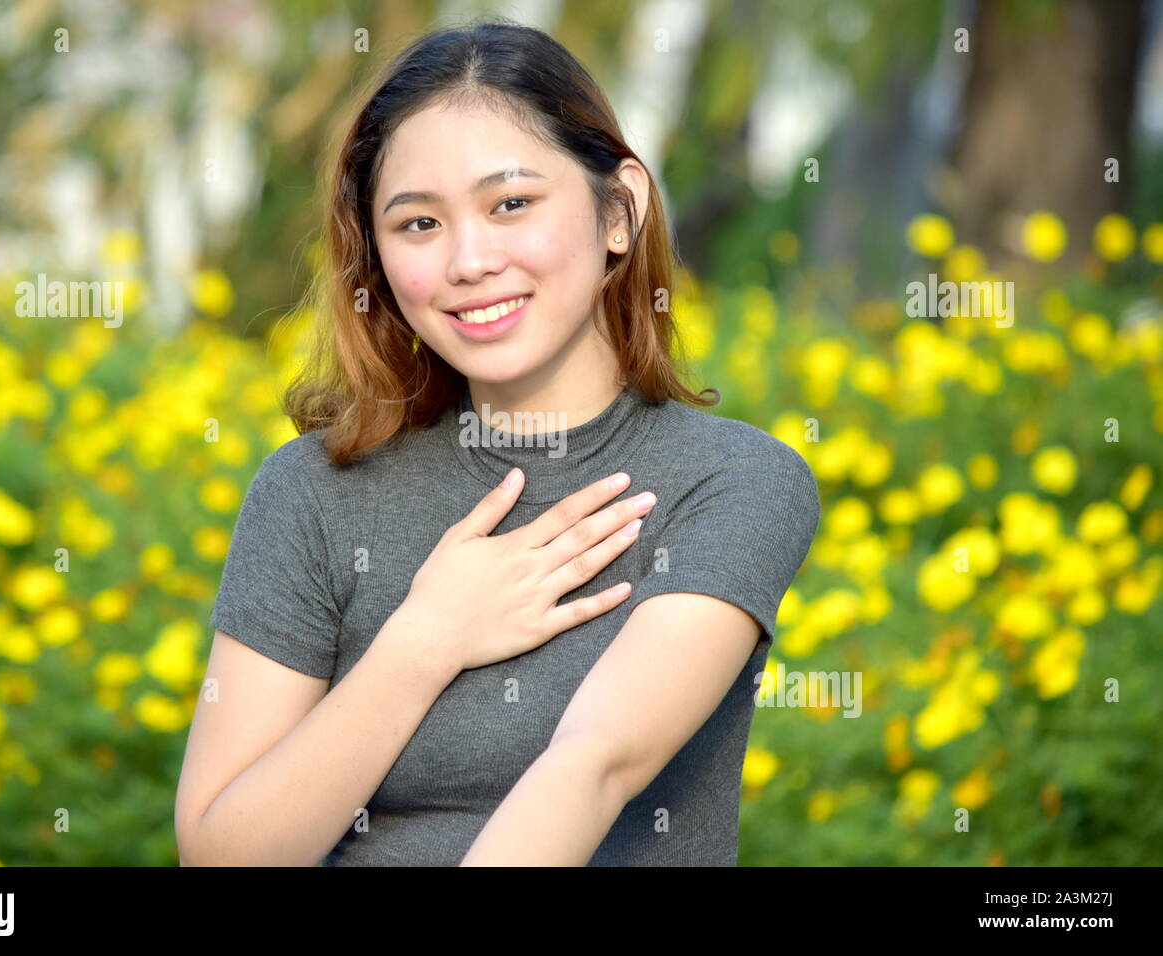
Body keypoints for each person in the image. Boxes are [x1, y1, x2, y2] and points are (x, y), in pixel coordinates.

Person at [174, 17, 819, 867]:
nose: (469, 260)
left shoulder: (730, 481)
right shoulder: (311, 493)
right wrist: (424, 640)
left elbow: (591, 768)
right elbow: (224, 856)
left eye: (511, 203)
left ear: (618, 209)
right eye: (418, 225)